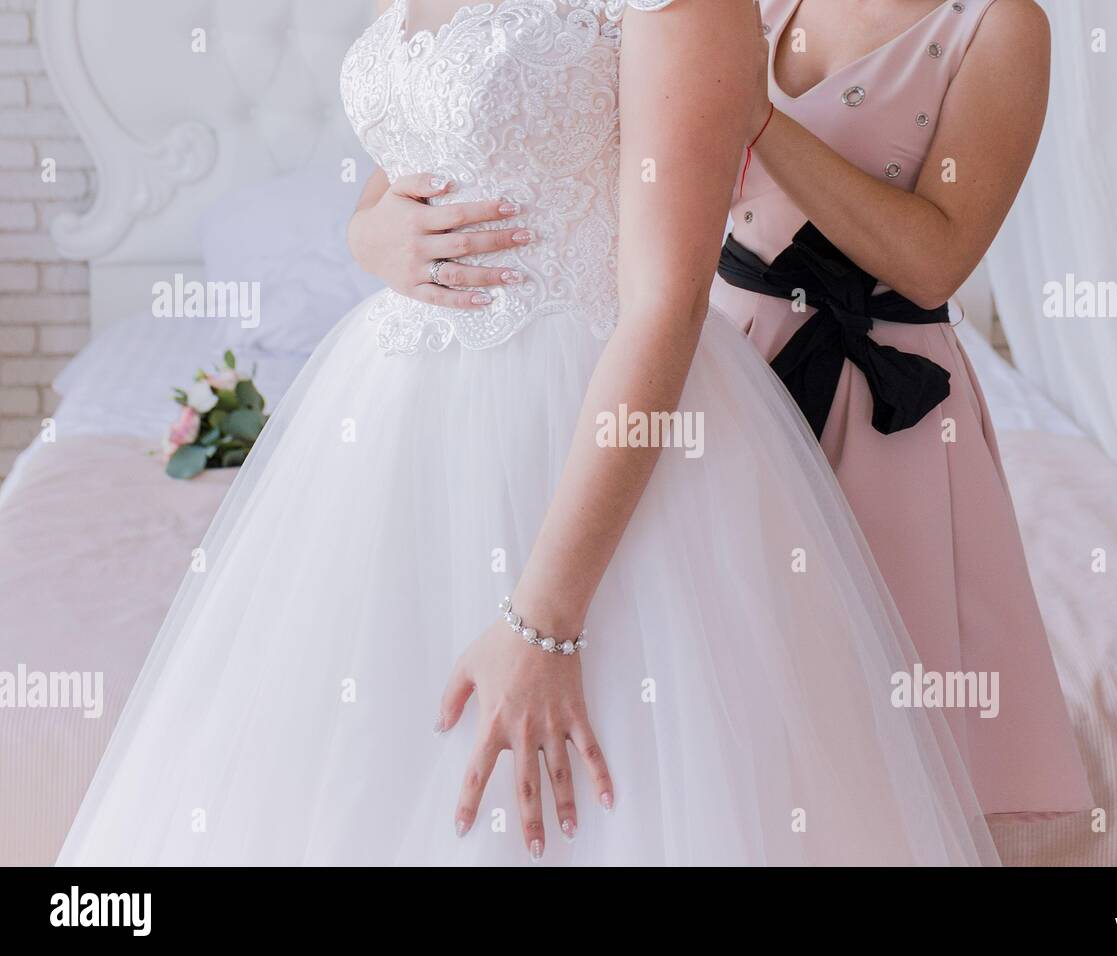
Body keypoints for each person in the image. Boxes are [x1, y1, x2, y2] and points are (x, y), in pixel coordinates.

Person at [58, 0, 997, 865]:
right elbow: (407, 158)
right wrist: (366, 238)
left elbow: (664, 303)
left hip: (588, 412)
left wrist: (544, 622)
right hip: (388, 430)